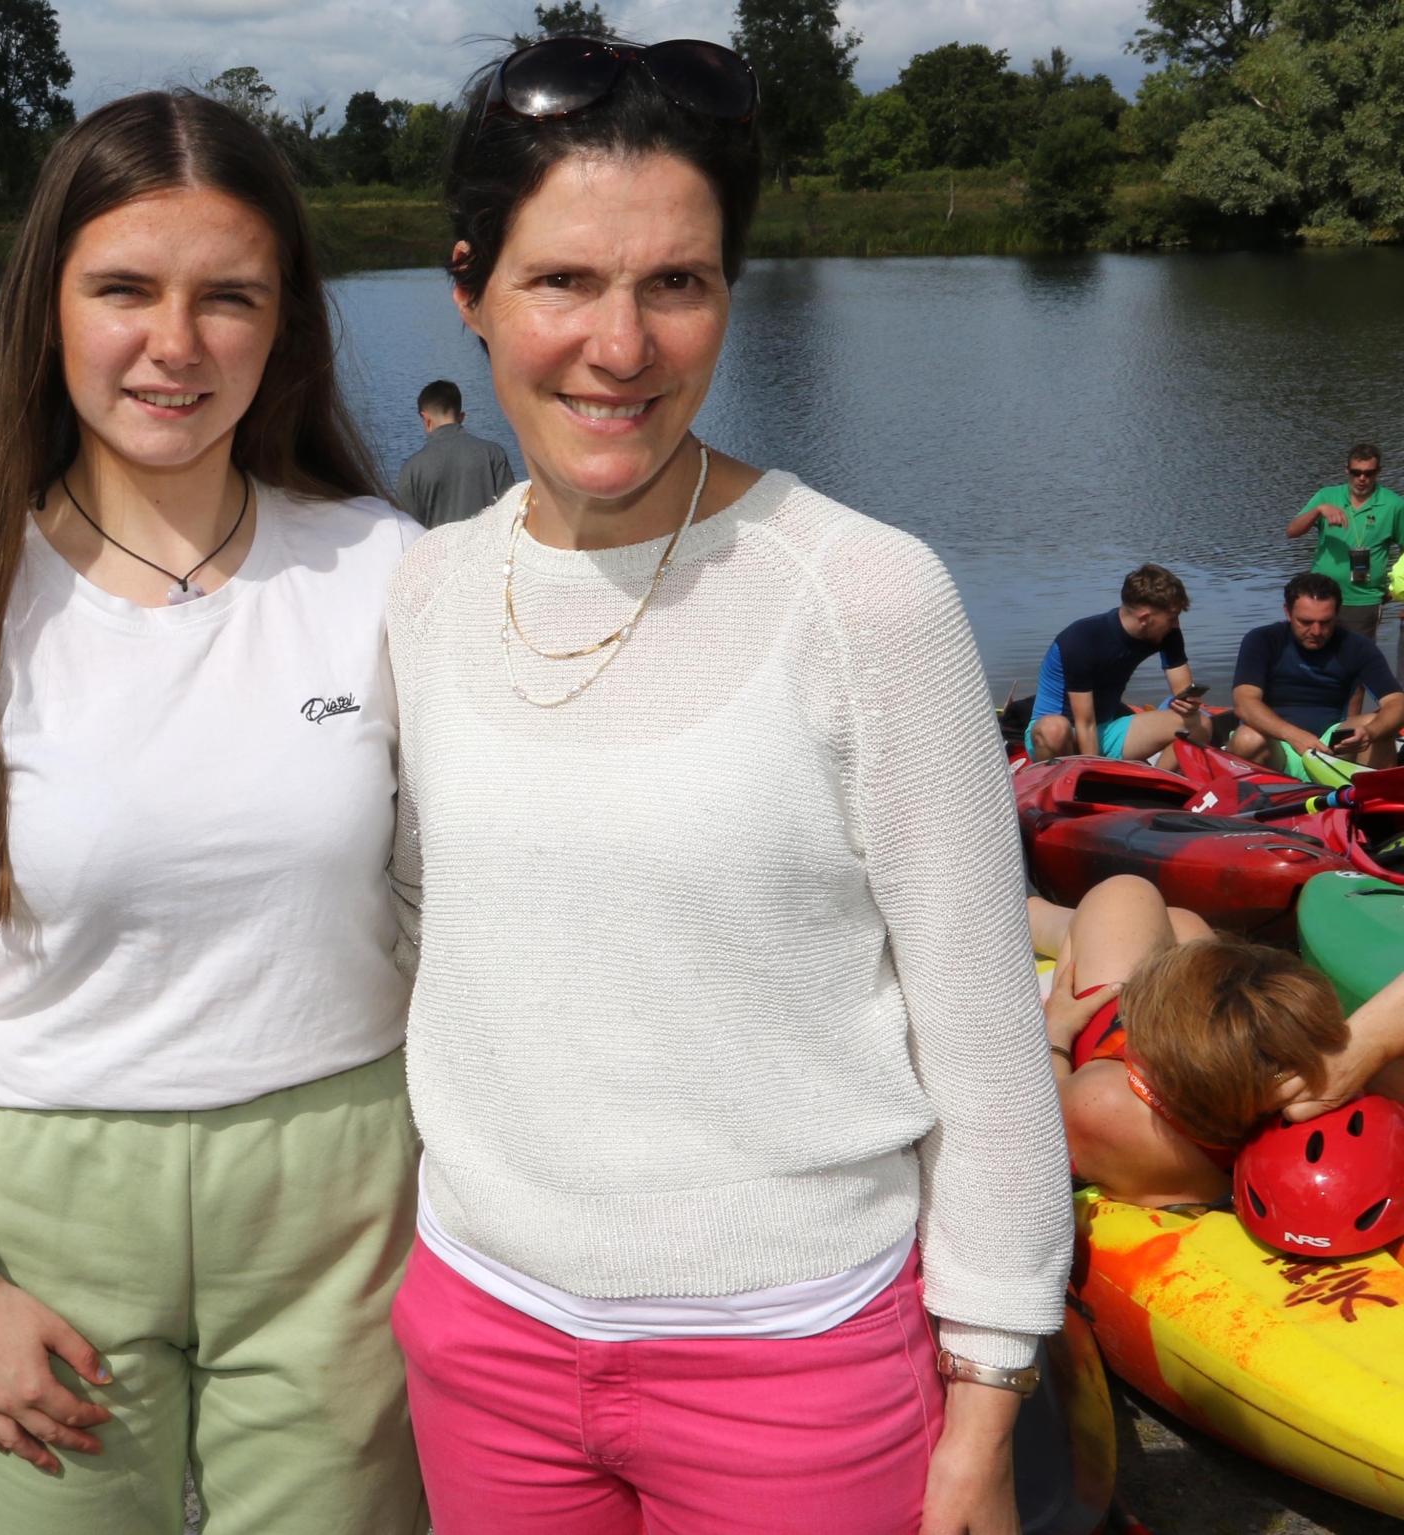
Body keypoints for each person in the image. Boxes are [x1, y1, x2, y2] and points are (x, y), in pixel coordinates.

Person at [385, 37, 1071, 1535]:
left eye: (676, 283)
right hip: (483, 1331)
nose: (620, 346)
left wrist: (989, 1383)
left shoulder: (864, 591)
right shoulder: (428, 591)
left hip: (795, 1355)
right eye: (563, 279)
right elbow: (431, 929)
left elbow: (979, 1018)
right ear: (470, 288)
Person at [0, 94, 426, 1535]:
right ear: (50, 308)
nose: (175, 342)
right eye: (125, 288)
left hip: (344, 1190)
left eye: (229, 296)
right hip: (50, 1192)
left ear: (284, 325)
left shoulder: (381, 567)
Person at [1036, 876, 1404, 1208]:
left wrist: (1056, 1031)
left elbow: (1038, 1115)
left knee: (1125, 894)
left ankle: (1038, 920)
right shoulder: (1331, 1077)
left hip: (1122, 1051)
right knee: (1184, 924)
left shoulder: (1103, 1105)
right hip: (1228, 1060)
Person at [1028, 564, 1211, 766]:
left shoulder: (1167, 633)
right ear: (1145, 618)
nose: (1176, 624)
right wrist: (1096, 773)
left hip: (1106, 730)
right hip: (1058, 734)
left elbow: (1183, 690)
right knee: (1054, 729)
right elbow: (1085, 722)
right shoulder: (1082, 640)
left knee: (1200, 724)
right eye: (1172, 618)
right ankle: (1061, 783)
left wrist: (1189, 704)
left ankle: (1154, 785)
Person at [1229, 571, 1404, 773]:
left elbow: (1396, 702)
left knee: (1381, 726)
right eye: (1305, 622)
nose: (1316, 632)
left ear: (1337, 614)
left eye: (1325, 622)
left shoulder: (1357, 646)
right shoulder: (1262, 640)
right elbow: (1244, 703)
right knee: (1247, 739)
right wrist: (1293, 735)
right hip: (1277, 746)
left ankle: (1374, 798)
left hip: (1332, 748)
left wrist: (1370, 732)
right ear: (1287, 612)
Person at [1287, 442, 1401, 652]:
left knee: (1355, 667)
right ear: (1347, 469)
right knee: (1315, 663)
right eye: (1356, 472)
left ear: (1379, 471)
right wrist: (1318, 511)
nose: (1362, 479)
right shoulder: (1326, 496)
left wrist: (1396, 590)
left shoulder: (1393, 504)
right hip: (1319, 599)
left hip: (1363, 600)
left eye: (1369, 473)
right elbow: (1292, 531)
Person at [394, 379, 515, 528]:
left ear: (426, 419)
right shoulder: (493, 454)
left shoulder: (411, 469)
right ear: (461, 417)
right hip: (489, 549)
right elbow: (512, 513)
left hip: (437, 550)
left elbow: (407, 530)